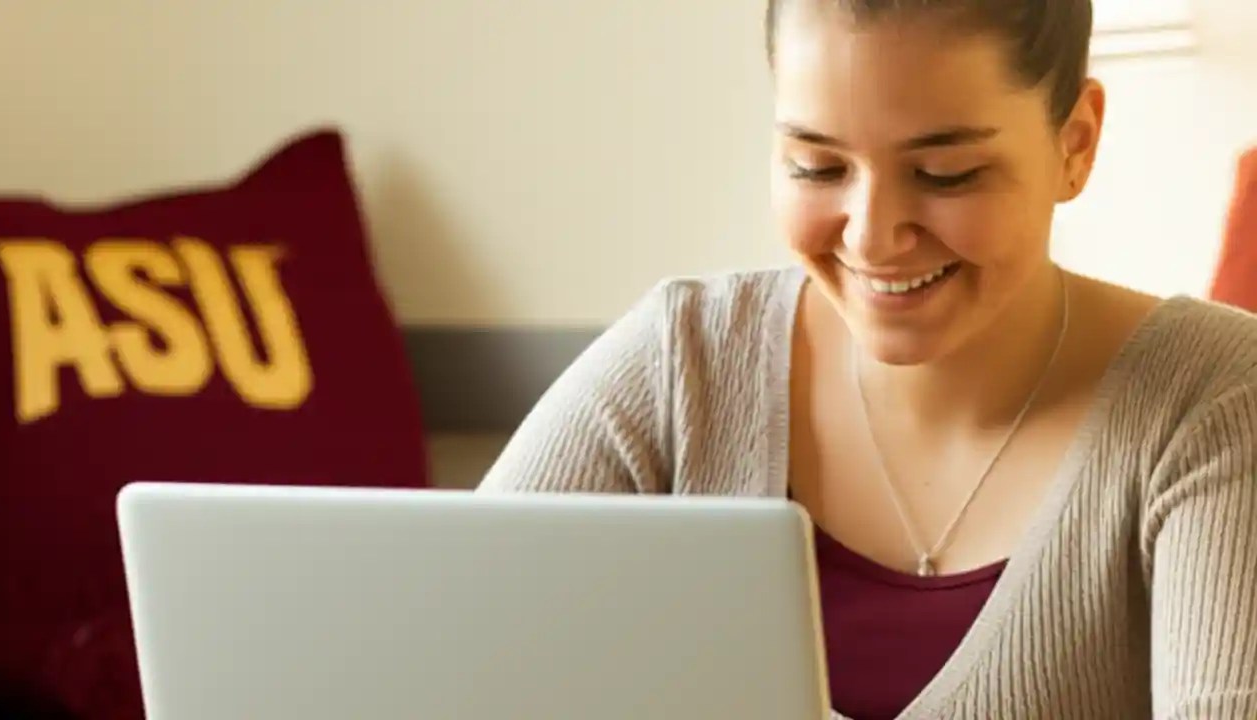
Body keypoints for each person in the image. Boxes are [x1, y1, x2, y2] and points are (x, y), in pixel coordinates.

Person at [478, 1, 1257, 717]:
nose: (872, 236)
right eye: (816, 167)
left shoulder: (1215, 401)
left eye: (945, 173)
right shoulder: (683, 360)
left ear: (1075, 142)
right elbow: (445, 654)